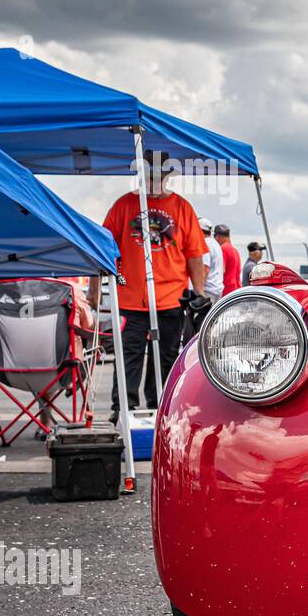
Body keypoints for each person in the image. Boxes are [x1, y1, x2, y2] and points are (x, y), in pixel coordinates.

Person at [102, 150, 207, 417]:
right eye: (148, 176)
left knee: (167, 357)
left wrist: (200, 292)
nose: (153, 182)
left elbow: (194, 255)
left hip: (171, 298)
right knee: (128, 356)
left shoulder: (182, 208)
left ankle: (160, 405)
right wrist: (97, 288)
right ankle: (123, 408)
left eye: (158, 177)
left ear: (167, 178)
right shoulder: (123, 205)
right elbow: (103, 248)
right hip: (130, 299)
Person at [197, 218, 224, 303]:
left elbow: (205, 268)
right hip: (217, 290)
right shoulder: (215, 243)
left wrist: (199, 292)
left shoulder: (204, 243)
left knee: (202, 316)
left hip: (207, 292)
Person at [214, 224, 242, 293]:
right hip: (236, 290)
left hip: (226, 291)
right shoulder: (235, 250)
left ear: (218, 237)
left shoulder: (223, 248)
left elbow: (221, 270)